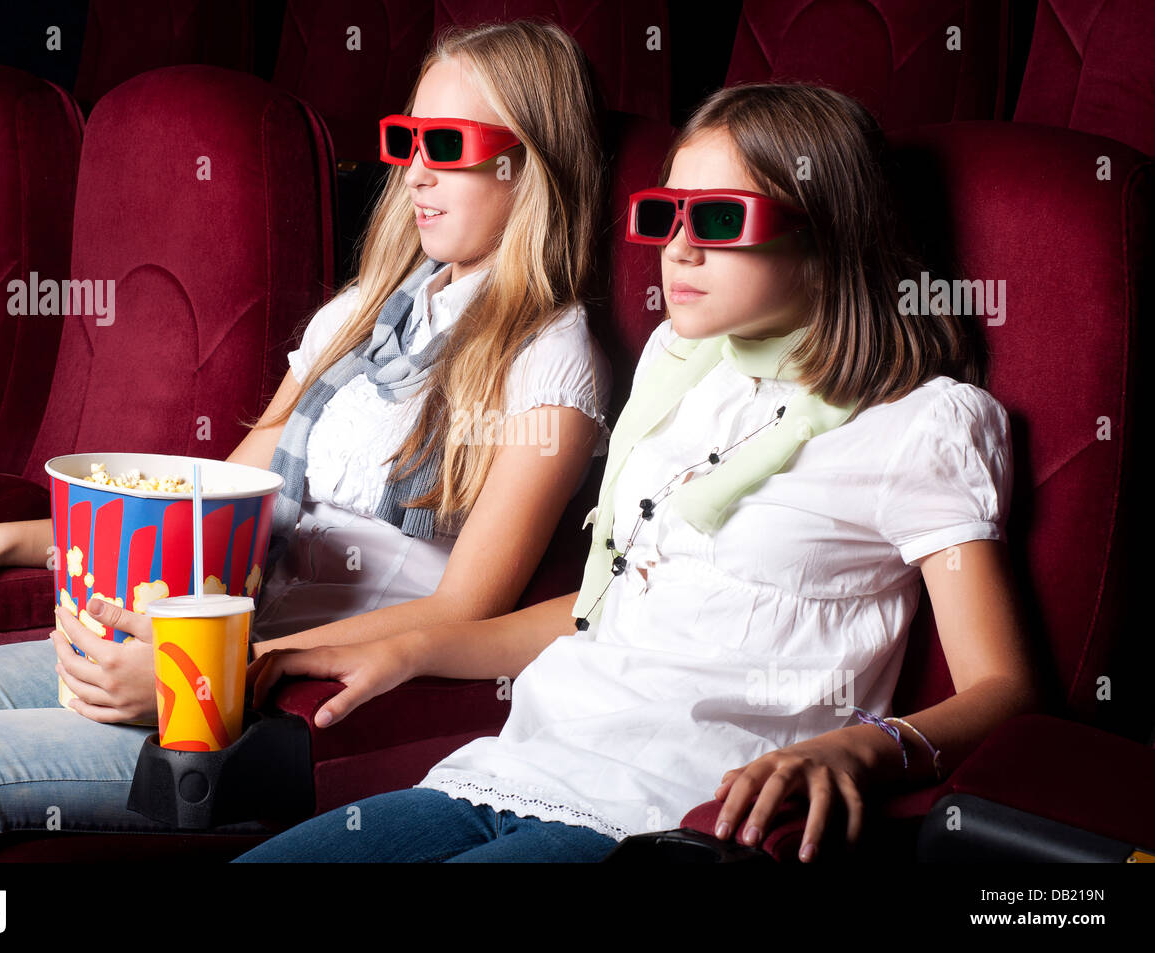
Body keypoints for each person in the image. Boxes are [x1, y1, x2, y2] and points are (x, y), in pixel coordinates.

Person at [0, 19, 612, 861]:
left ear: (531, 162)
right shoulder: (365, 311)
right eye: (406, 140)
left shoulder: (550, 358)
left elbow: (462, 610)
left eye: (448, 143)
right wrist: (8, 541)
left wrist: (208, 673)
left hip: (285, 695)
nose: (417, 171)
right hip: (212, 635)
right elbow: (218, 498)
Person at [231, 82, 1040, 864]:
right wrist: (413, 650)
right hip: (514, 765)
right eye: (667, 214)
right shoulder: (680, 368)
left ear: (827, 234)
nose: (679, 248)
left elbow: (1005, 687)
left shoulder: (924, 424)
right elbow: (601, 618)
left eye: (720, 219)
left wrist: (863, 747)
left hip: (668, 811)